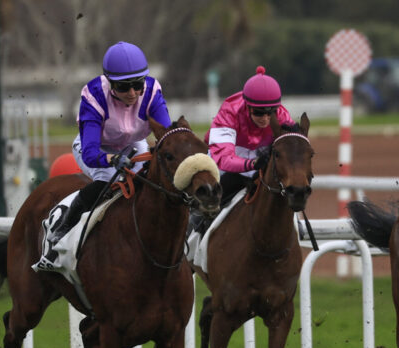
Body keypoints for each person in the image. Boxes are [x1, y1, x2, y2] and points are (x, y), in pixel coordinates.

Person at [48, 41, 172, 244]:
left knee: (149, 182)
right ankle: (63, 227)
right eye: (123, 86)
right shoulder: (94, 95)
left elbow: (167, 136)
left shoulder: (152, 92)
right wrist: (113, 159)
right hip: (96, 148)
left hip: (133, 144)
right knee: (109, 183)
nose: (132, 92)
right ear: (110, 83)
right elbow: (90, 153)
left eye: (137, 84)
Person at [189, 66, 294, 235]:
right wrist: (252, 164)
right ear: (248, 106)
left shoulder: (281, 114)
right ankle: (194, 224)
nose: (266, 118)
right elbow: (223, 158)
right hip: (226, 159)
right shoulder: (230, 111)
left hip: (262, 155)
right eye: (259, 113)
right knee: (210, 193)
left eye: (270, 113)